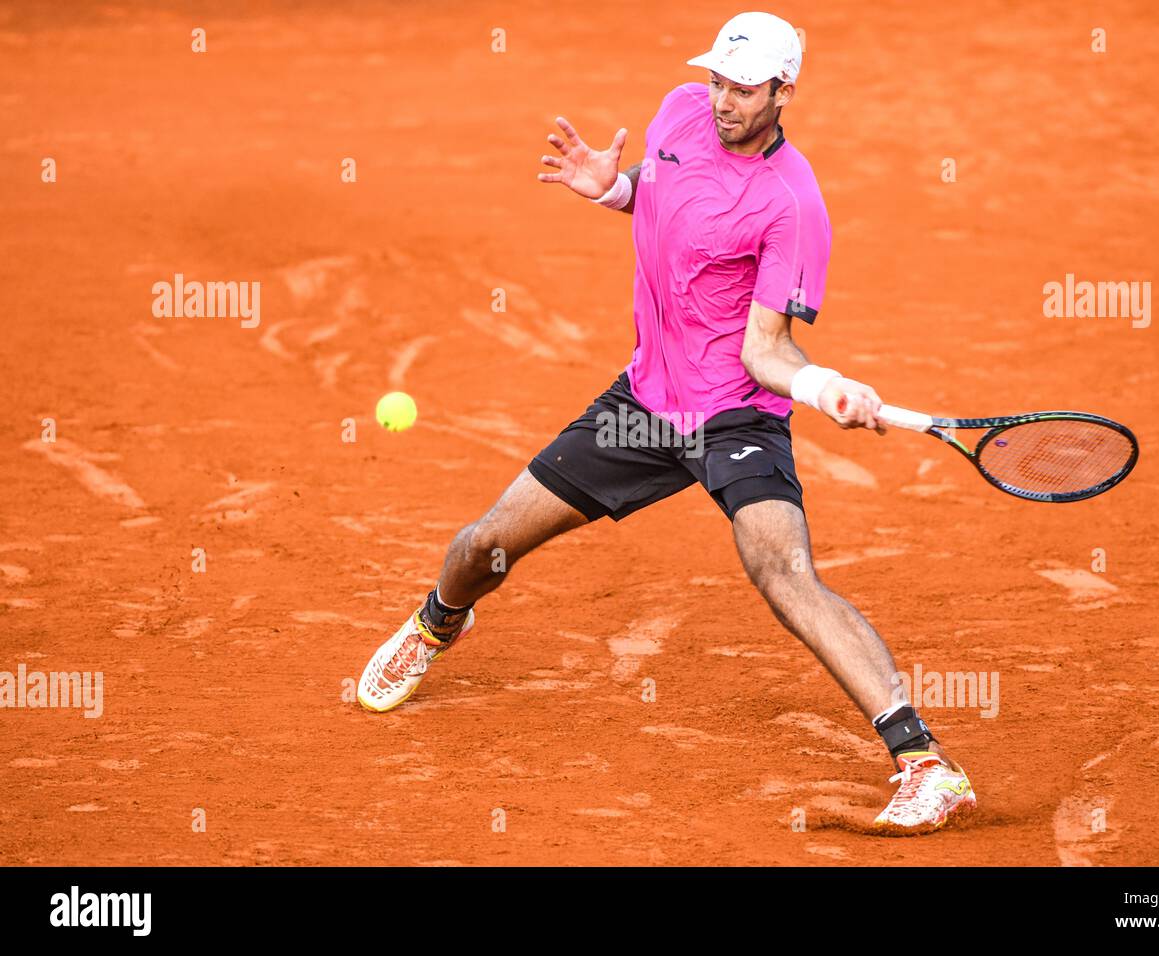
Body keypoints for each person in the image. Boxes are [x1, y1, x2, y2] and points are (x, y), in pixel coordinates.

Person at [358, 11, 976, 835]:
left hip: (732, 418)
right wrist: (614, 190)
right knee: (482, 545)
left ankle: (926, 764)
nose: (724, 99)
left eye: (744, 88)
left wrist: (824, 386)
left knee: (783, 571)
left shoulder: (793, 204)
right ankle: (438, 624)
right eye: (719, 78)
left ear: (785, 92)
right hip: (642, 407)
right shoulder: (682, 110)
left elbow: (767, 352)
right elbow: (670, 195)